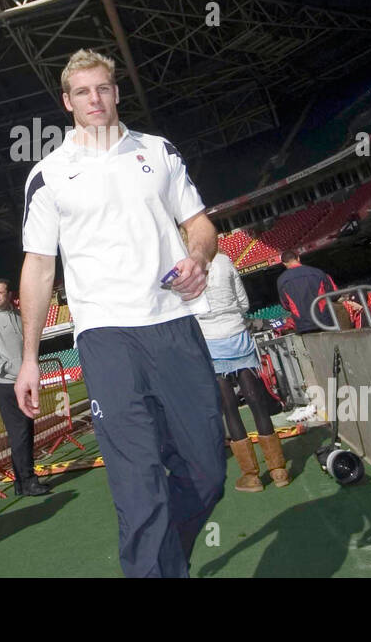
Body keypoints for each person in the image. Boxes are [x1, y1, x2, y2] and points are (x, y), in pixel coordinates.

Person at [17, 48, 225, 578]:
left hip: (173, 325)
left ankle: (163, 560)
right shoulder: (48, 174)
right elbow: (39, 267)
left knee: (207, 473)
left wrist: (198, 257)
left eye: (103, 88)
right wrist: (29, 359)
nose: (95, 99)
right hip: (105, 336)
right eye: (82, 91)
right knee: (139, 487)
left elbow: (200, 224)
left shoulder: (158, 150)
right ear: (67, 102)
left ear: (115, 92)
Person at [192, 244, 289, 492]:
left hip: (211, 342)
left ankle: (251, 475)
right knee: (256, 401)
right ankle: (278, 470)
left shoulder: (187, 268)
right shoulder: (225, 262)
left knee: (230, 410)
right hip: (237, 335)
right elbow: (244, 303)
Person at [0, 278, 49, 496]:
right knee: (19, 432)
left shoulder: (18, 315)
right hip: (7, 384)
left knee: (25, 431)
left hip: (22, 381)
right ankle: (27, 480)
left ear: (10, 294)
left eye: (0, 292)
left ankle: (21, 481)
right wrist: (15, 372)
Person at [275, 250, 348, 334]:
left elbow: (285, 305)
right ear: (298, 258)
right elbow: (335, 294)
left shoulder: (281, 281)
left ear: (283, 263)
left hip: (303, 326)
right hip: (324, 321)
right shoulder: (317, 272)